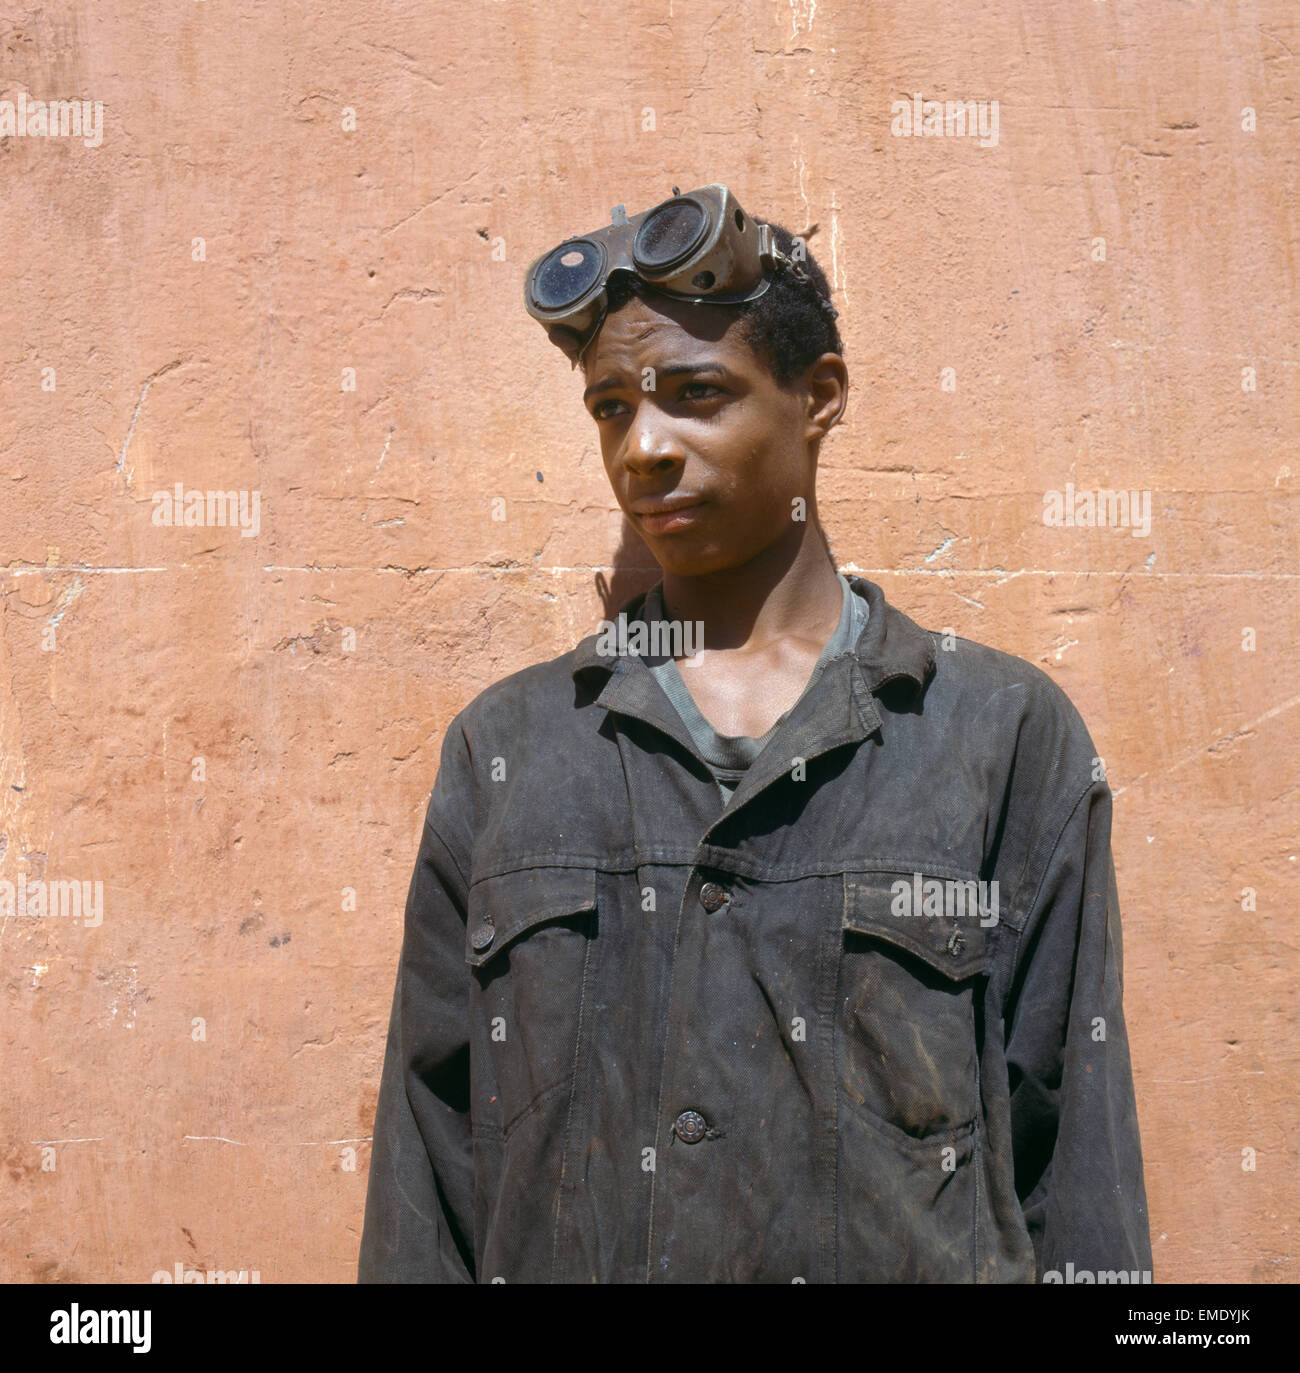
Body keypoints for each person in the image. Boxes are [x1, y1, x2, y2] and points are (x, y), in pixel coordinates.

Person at [357, 184, 1153, 1283]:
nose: (643, 447)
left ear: (817, 396)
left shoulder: (999, 735)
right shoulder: (510, 748)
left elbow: (1076, 1159)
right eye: (609, 410)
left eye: (697, 394)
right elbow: (426, 1164)